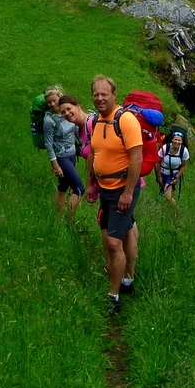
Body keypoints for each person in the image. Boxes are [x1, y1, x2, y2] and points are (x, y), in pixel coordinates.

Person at [86, 74, 142, 316]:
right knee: (127, 230)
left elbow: (136, 157)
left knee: (112, 242)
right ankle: (128, 280)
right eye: (96, 94)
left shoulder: (126, 120)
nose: (99, 98)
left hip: (122, 189)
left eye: (104, 94)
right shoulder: (96, 122)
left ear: (114, 95)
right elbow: (93, 153)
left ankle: (114, 296)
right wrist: (90, 183)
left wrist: (128, 192)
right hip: (105, 190)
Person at [43, 87, 84, 216]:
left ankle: (57, 215)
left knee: (63, 187)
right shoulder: (49, 120)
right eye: (49, 102)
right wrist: (55, 166)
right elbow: (48, 144)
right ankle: (69, 218)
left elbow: (76, 131)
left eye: (54, 100)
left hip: (71, 154)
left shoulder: (67, 113)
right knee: (79, 188)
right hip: (61, 157)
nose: (53, 104)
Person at [156, 130, 189, 205]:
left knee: (167, 195)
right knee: (164, 191)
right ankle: (168, 212)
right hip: (163, 172)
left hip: (173, 174)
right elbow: (157, 162)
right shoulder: (165, 148)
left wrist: (176, 177)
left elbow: (183, 166)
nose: (177, 142)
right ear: (172, 140)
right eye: (175, 139)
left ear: (182, 141)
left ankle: (177, 211)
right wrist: (159, 176)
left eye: (179, 140)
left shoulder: (184, 151)